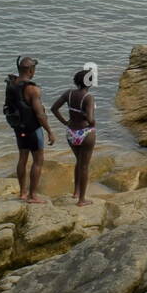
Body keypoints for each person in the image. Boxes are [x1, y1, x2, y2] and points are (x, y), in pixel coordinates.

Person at [3, 55, 54, 202]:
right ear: (31, 70)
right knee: (38, 161)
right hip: (32, 129)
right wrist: (50, 131)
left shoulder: (11, 84)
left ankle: (22, 193)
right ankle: (33, 195)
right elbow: (40, 114)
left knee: (22, 158)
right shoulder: (33, 89)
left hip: (18, 127)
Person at [51, 70, 96, 206]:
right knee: (84, 166)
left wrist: (65, 122)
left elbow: (54, 108)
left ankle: (76, 192)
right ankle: (82, 200)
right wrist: (93, 123)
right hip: (85, 132)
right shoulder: (88, 97)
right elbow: (90, 118)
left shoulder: (68, 93)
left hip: (71, 132)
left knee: (79, 161)